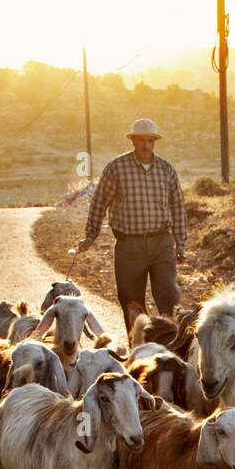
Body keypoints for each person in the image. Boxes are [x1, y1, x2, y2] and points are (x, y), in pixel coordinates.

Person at [78, 118, 187, 334]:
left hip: (161, 242)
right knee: (131, 302)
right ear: (133, 141)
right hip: (129, 245)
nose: (147, 145)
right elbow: (100, 202)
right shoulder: (117, 168)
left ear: (155, 141)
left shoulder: (166, 169)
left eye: (151, 140)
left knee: (169, 296)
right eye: (142, 140)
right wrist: (91, 235)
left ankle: (174, 346)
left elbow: (178, 206)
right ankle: (138, 350)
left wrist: (181, 243)